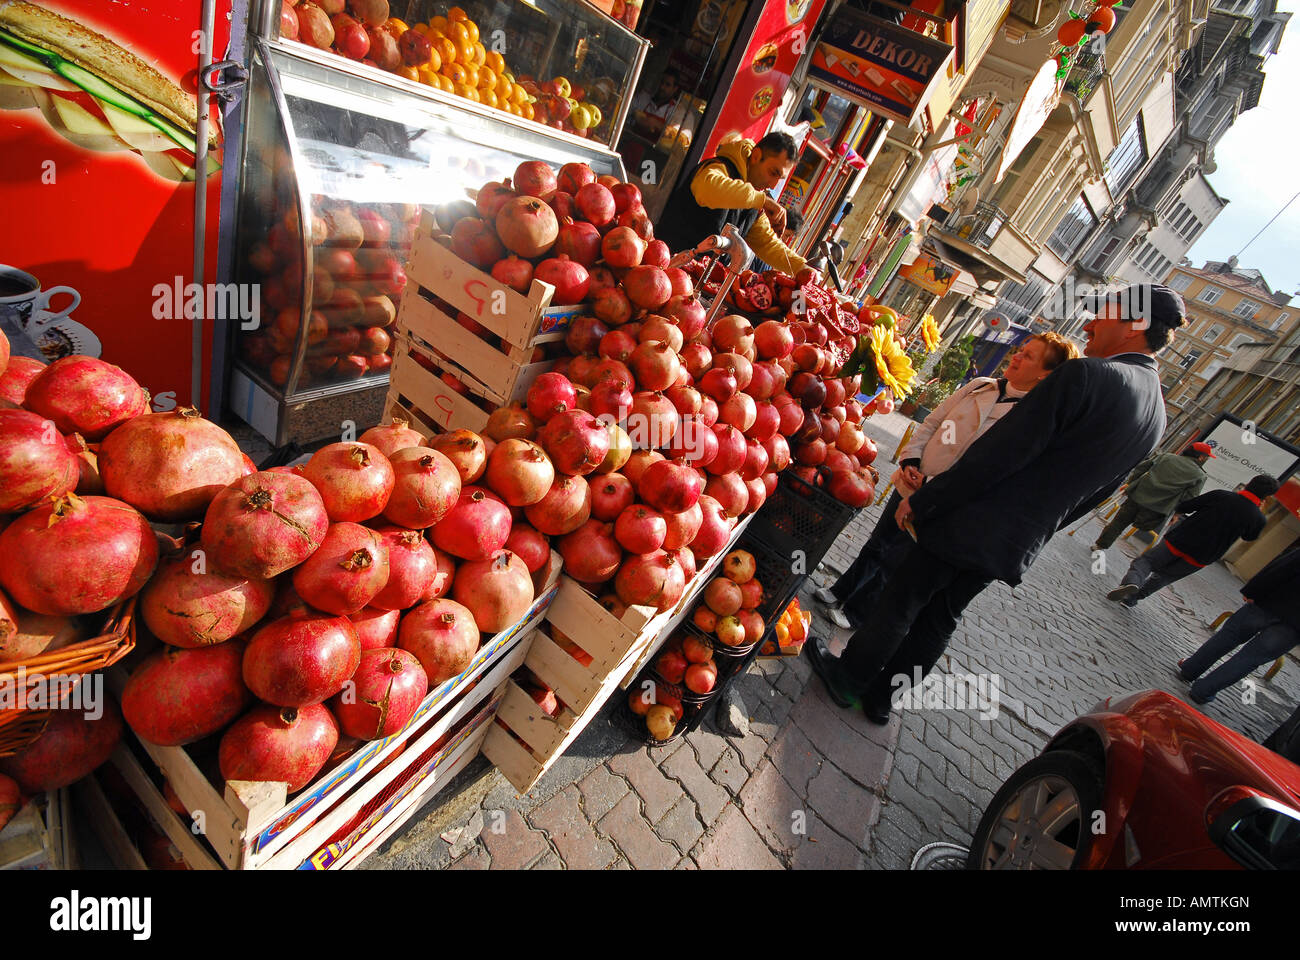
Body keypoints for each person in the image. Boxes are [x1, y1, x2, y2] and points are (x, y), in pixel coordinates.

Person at [807, 284, 1185, 723]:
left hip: (968, 517)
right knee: (940, 619)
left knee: (902, 599)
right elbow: (1095, 495)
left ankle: (847, 679)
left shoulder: (1086, 375)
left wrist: (929, 501)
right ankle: (881, 701)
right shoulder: (1156, 414)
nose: (1089, 323)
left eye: (1104, 312)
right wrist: (1035, 530)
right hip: (1013, 540)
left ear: (1135, 323)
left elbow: (1001, 453)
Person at [815, 333, 1080, 629]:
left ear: (1046, 373)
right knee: (878, 544)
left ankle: (857, 612)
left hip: (941, 500)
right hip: (912, 480)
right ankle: (842, 590)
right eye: (1020, 350)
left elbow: (987, 468)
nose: (1015, 357)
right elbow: (932, 422)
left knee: (898, 561)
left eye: (1028, 356)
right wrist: (911, 460)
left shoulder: (1028, 419)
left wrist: (934, 487)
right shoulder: (979, 387)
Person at [1107, 474, 1278, 607]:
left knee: (1146, 562)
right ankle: (1132, 599)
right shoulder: (1258, 518)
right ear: (1266, 497)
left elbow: (1185, 507)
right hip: (1203, 556)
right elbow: (1249, 537)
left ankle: (1132, 583)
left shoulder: (1221, 496)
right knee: (1165, 577)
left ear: (1249, 484)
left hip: (1180, 540)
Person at [654, 131, 807, 275]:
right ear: (756, 156)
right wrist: (762, 201)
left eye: (779, 179)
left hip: (695, 283)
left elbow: (768, 244)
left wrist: (802, 268)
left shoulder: (756, 199)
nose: (773, 185)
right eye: (773, 173)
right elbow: (707, 189)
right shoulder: (719, 167)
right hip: (663, 269)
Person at [1178, 546, 1300, 704]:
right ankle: (1203, 690)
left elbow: (1282, 567)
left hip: (1269, 602)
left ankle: (1190, 669)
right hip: (1293, 626)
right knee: (1250, 658)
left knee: (1229, 636)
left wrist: (1253, 591)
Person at [1092, 443, 1215, 550]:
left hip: (1137, 496)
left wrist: (1130, 484)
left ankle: (1100, 545)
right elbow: (1189, 497)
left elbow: (1142, 468)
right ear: (1201, 457)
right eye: (1207, 458)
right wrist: (1178, 513)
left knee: (1118, 522)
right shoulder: (1200, 476)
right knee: (1144, 526)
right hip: (1157, 509)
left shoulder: (1166, 457)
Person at [630, 71, 682, 141]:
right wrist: (638, 116)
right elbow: (625, 110)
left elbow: (675, 136)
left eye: (667, 85)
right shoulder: (643, 97)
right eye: (661, 82)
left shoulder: (677, 110)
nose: (662, 87)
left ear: (675, 89)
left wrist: (657, 124)